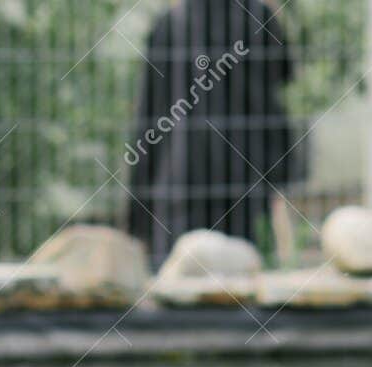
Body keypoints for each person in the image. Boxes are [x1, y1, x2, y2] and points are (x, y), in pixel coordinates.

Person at [125, 0, 300, 267]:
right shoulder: (258, 18)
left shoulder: (170, 23)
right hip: (242, 180)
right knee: (237, 285)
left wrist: (138, 209)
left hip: (179, 184)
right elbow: (286, 73)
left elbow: (149, 113)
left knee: (177, 281)